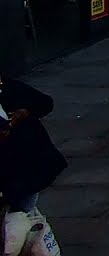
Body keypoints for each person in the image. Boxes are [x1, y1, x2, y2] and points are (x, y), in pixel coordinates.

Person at [0, 74, 68, 216]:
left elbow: (45, 103)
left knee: (23, 210)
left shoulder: (11, 88)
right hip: (9, 168)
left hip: (25, 164)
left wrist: (25, 112)